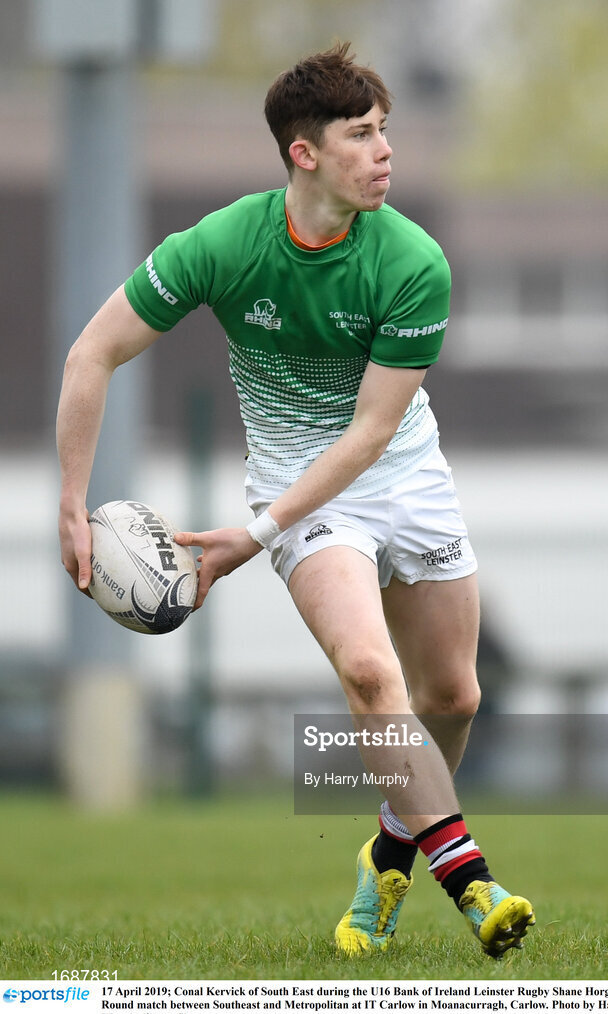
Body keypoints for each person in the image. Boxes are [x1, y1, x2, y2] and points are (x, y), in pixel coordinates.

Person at [57, 42, 534, 959]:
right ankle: (473, 886)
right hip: (299, 492)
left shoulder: (415, 262)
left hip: (400, 470)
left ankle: (390, 852)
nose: (385, 150)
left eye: (386, 130)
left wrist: (249, 538)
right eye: (361, 134)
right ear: (302, 153)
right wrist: (72, 503)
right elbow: (92, 353)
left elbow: (367, 435)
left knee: (456, 695)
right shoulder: (223, 245)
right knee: (368, 672)